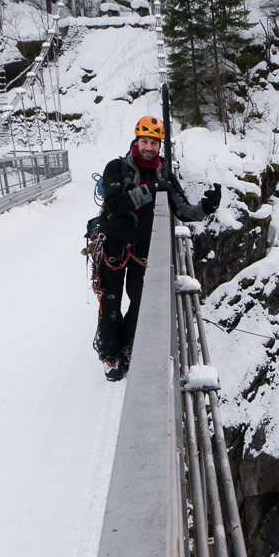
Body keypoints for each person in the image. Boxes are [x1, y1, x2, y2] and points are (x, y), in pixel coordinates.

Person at [92, 115, 221, 381]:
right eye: (145, 141)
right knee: (110, 300)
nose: (149, 147)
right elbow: (115, 204)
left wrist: (206, 208)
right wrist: (152, 189)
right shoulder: (116, 168)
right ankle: (110, 356)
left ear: (160, 145)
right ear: (136, 141)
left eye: (154, 143)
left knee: (140, 301)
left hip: (142, 246)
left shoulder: (164, 173)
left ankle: (127, 347)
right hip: (114, 243)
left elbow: (182, 210)